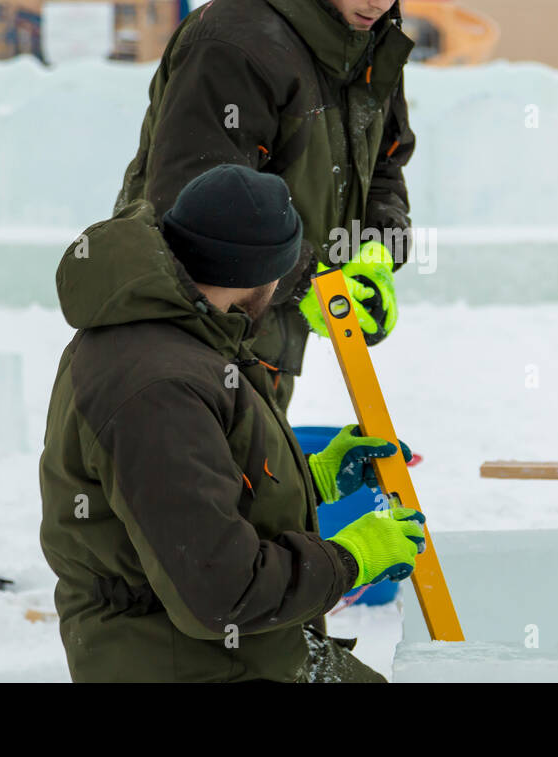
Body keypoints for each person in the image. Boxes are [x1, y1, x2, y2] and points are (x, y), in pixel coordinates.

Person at [39, 165, 427, 682]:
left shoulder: (180, 334)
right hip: (179, 661)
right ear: (259, 275)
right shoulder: (159, 388)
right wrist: (350, 558)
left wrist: (313, 481)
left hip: (227, 647)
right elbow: (219, 591)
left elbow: (194, 499)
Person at [115, 0, 421, 412]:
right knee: (198, 480)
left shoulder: (372, 45)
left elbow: (384, 163)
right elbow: (194, 200)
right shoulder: (236, 45)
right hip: (192, 314)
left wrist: (373, 251)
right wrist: (311, 280)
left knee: (257, 483)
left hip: (272, 320)